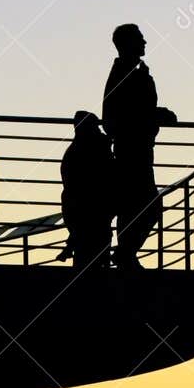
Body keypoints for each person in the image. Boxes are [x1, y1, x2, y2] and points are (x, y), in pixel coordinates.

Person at [102, 24, 176, 268]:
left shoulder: (133, 71)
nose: (145, 43)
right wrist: (155, 115)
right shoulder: (125, 73)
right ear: (128, 43)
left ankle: (126, 253)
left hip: (140, 148)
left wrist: (155, 115)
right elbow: (119, 115)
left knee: (135, 205)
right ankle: (125, 254)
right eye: (140, 39)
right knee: (143, 205)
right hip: (132, 150)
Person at [60, 110, 115, 271]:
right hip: (96, 213)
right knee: (96, 253)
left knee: (84, 257)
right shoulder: (95, 150)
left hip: (79, 213)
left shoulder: (73, 153)